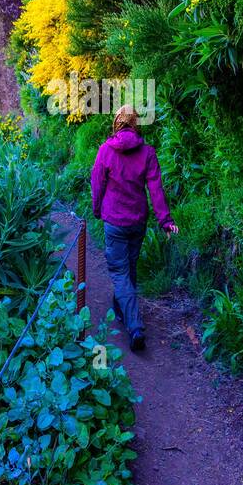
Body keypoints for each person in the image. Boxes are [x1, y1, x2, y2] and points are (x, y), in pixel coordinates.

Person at [90, 104, 177, 351]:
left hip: (114, 222)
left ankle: (135, 327)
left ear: (117, 122)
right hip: (137, 221)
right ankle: (121, 307)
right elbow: (156, 190)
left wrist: (98, 210)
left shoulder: (106, 150)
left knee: (119, 271)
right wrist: (166, 221)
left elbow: (97, 184)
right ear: (136, 123)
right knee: (128, 266)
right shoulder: (147, 152)